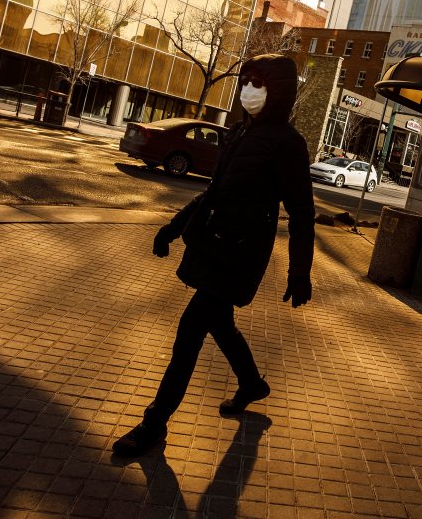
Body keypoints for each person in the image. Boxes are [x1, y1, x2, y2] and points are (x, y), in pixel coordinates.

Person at [113, 54, 315, 457]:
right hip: (213, 244)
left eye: (258, 83)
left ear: (277, 92)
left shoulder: (288, 144)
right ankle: (251, 384)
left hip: (240, 257)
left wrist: (300, 271)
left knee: (190, 330)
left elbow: (302, 213)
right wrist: (173, 228)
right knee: (219, 324)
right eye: (245, 81)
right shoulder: (239, 133)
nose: (248, 90)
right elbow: (213, 193)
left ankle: (155, 423)